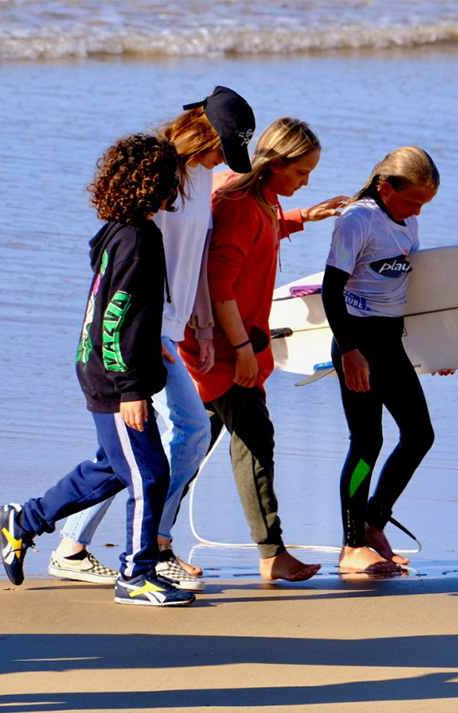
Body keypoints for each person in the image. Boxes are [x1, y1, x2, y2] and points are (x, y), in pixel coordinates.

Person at [49, 87, 256, 592]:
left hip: (174, 323)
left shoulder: (202, 174)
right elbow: (124, 267)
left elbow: (196, 256)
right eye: (218, 149)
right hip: (148, 331)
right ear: (201, 133)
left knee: (126, 455)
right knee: (187, 432)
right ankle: (153, 550)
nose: (219, 161)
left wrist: (201, 324)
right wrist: (153, 336)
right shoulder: (156, 180)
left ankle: (66, 541)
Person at [0, 133, 195, 607]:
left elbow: (122, 309)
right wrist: (130, 388)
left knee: (113, 467)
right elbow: (116, 314)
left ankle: (22, 521)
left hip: (106, 364)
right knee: (150, 475)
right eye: (174, 180)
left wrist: (151, 346)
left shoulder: (118, 230)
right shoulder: (139, 239)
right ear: (158, 185)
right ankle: (136, 575)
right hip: (114, 376)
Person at [177, 116, 347, 582]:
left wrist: (301, 216)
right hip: (224, 345)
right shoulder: (240, 203)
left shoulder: (257, 197)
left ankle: (155, 539)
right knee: (253, 438)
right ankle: (272, 552)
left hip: (231, 340)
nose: (307, 180)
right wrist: (242, 348)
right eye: (300, 172)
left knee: (191, 445)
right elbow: (219, 281)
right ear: (275, 163)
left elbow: (262, 230)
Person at [321, 146, 452, 575]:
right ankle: (351, 545)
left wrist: (438, 349)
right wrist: (351, 351)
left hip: (390, 341)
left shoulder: (407, 222)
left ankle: (374, 522)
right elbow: (330, 290)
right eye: (411, 200)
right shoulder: (358, 220)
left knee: (419, 435)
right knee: (366, 442)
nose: (416, 211)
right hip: (356, 340)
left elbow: (406, 294)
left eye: (423, 204)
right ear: (384, 186)